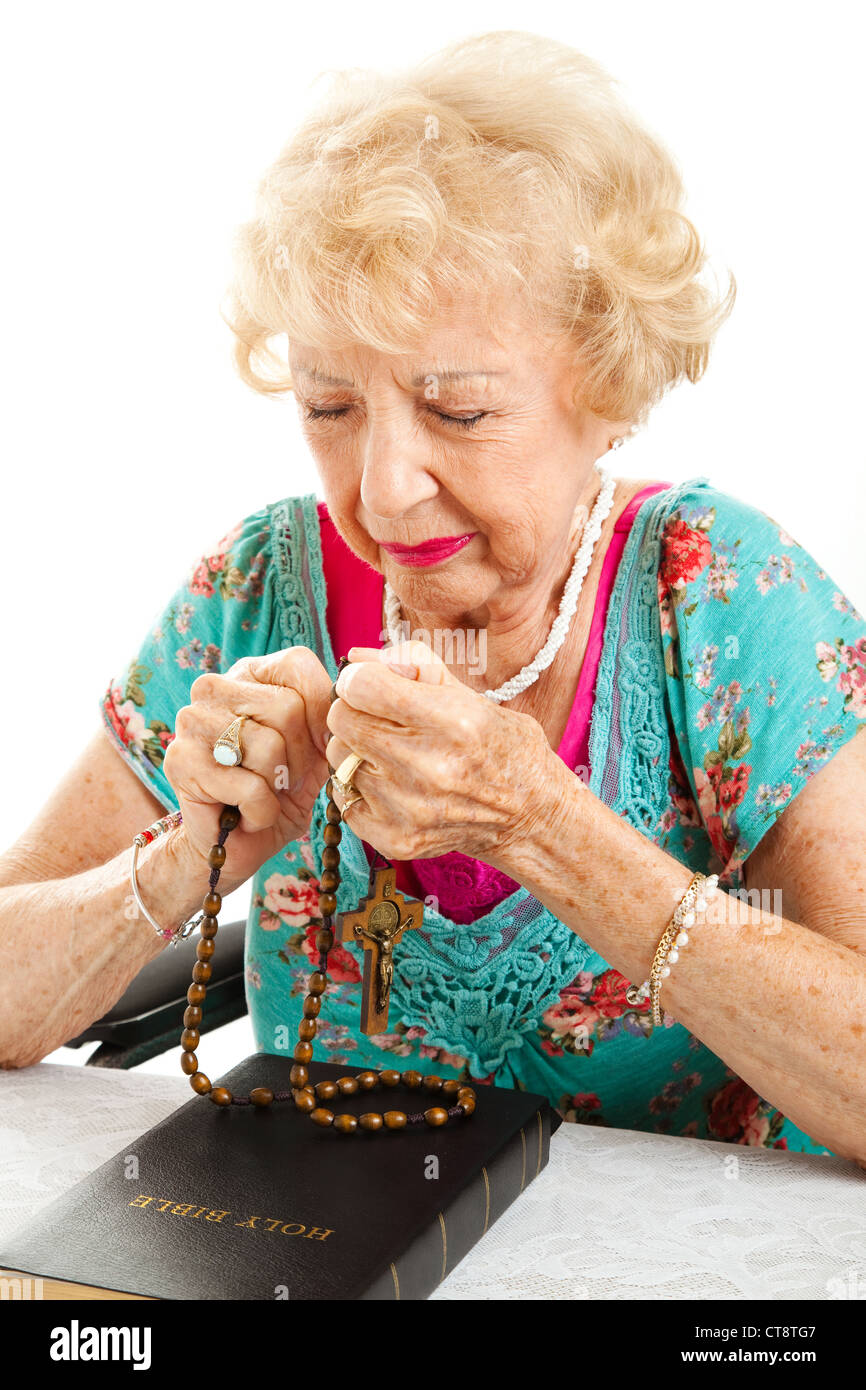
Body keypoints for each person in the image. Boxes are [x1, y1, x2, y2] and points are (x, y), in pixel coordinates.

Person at [1, 31, 864, 1162]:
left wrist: (536, 820)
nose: (383, 488)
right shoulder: (258, 586)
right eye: (328, 407)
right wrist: (185, 859)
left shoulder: (720, 594)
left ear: (606, 389)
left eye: (457, 412)